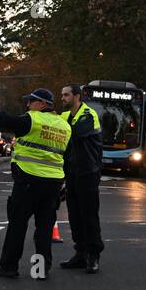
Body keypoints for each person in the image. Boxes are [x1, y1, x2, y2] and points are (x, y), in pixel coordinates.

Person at [0, 88, 70, 280]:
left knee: (17, 225)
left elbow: (3, 120)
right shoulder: (64, 126)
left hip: (29, 181)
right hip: (53, 183)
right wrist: (64, 184)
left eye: (32, 101)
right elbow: (67, 157)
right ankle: (40, 270)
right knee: (45, 229)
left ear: (43, 104)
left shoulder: (32, 120)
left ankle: (9, 267)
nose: (28, 105)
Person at [58, 85, 104, 273]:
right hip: (72, 173)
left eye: (66, 94)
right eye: (61, 95)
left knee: (89, 215)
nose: (63, 98)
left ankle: (93, 254)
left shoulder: (88, 114)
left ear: (77, 96)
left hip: (88, 172)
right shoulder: (64, 116)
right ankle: (81, 253)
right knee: (74, 215)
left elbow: (74, 133)